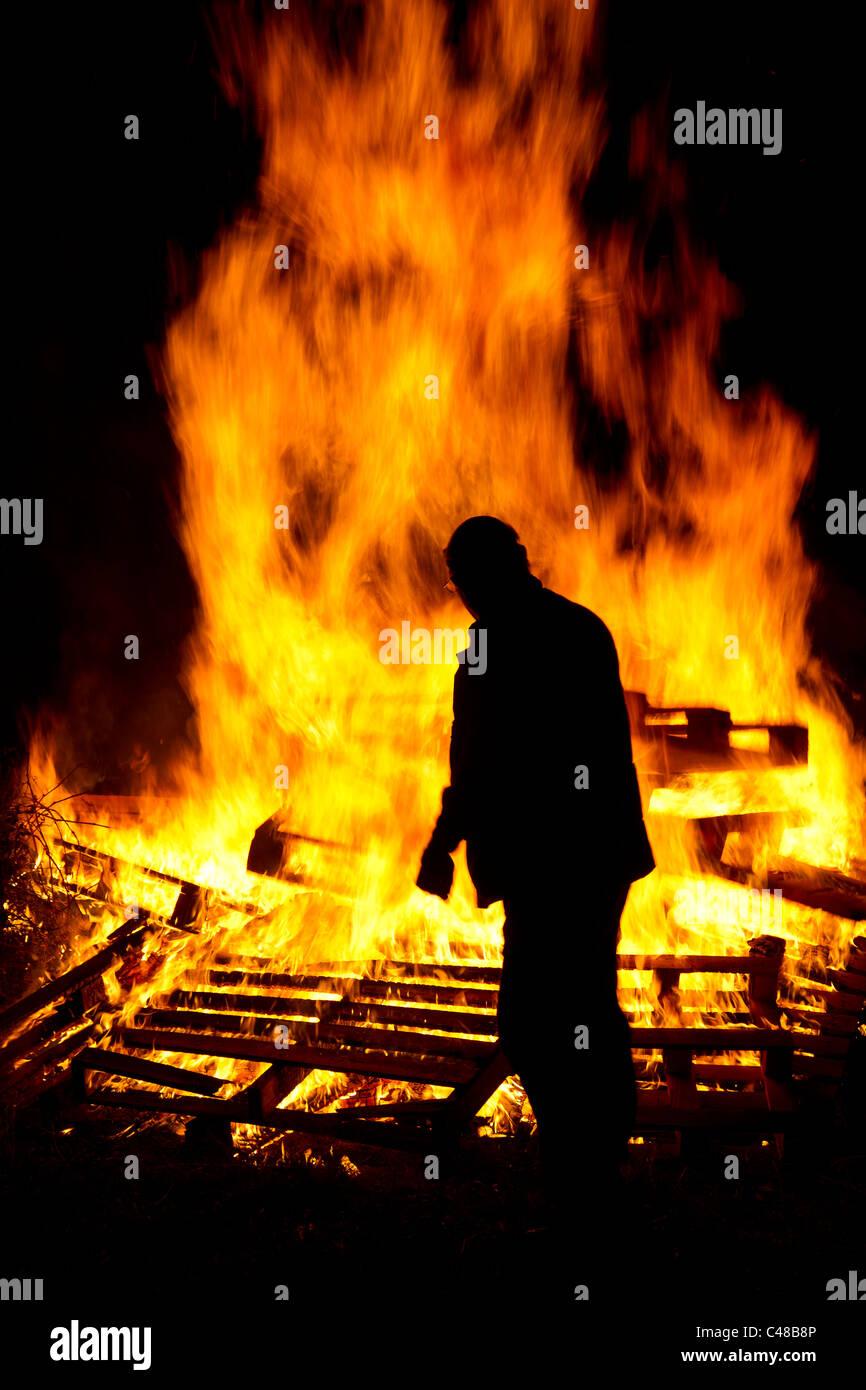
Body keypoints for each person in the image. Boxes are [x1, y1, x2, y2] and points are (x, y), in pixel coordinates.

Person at [415, 516, 655, 1290]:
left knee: (538, 1022)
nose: (464, 598)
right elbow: (493, 762)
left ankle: (583, 1199)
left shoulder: (503, 648)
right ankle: (593, 1189)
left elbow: (485, 764)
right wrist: (452, 837)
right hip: (590, 857)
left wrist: (447, 841)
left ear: (499, 570)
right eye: (460, 584)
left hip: (555, 863)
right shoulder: (579, 628)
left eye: (467, 580)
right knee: (581, 1013)